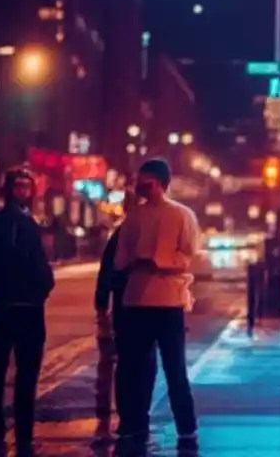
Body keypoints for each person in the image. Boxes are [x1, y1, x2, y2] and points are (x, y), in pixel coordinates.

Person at [114, 158, 201, 449]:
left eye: (147, 181)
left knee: (174, 367)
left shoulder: (181, 215)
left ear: (161, 183)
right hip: (137, 299)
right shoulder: (134, 216)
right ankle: (133, 422)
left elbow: (189, 254)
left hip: (168, 300)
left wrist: (161, 262)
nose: (141, 186)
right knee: (132, 367)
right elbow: (121, 255)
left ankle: (186, 426)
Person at [0, 167, 55, 453]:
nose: (24, 192)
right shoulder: (26, 224)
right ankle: (23, 432)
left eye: (27, 186)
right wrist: (43, 287)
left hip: (0, 307)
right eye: (20, 187)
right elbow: (38, 265)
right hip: (26, 309)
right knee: (25, 374)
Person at [93, 219, 127, 439]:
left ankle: (105, 417)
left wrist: (102, 303)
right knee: (130, 365)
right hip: (134, 306)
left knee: (109, 364)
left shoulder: (122, 232)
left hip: (122, 305)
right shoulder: (129, 231)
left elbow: (106, 269)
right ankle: (127, 417)